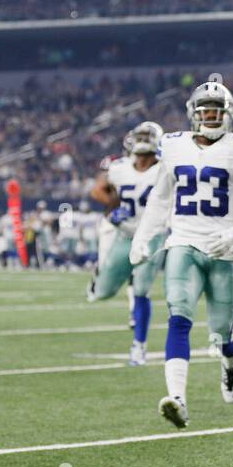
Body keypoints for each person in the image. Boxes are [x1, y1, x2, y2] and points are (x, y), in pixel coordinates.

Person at [130, 81, 233, 428]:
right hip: (183, 243)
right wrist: (143, 237)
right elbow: (160, 199)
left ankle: (230, 364)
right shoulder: (173, 147)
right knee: (178, 316)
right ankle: (177, 398)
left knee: (222, 334)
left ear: (227, 114)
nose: (210, 115)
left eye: (216, 110)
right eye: (205, 109)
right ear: (194, 113)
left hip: (225, 249)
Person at [90, 122, 165, 366]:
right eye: (140, 136)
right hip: (124, 234)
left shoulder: (166, 168)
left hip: (152, 236)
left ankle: (139, 346)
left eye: (147, 136)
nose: (143, 141)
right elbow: (98, 190)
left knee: (142, 290)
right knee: (102, 292)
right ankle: (98, 275)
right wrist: (113, 206)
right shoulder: (119, 167)